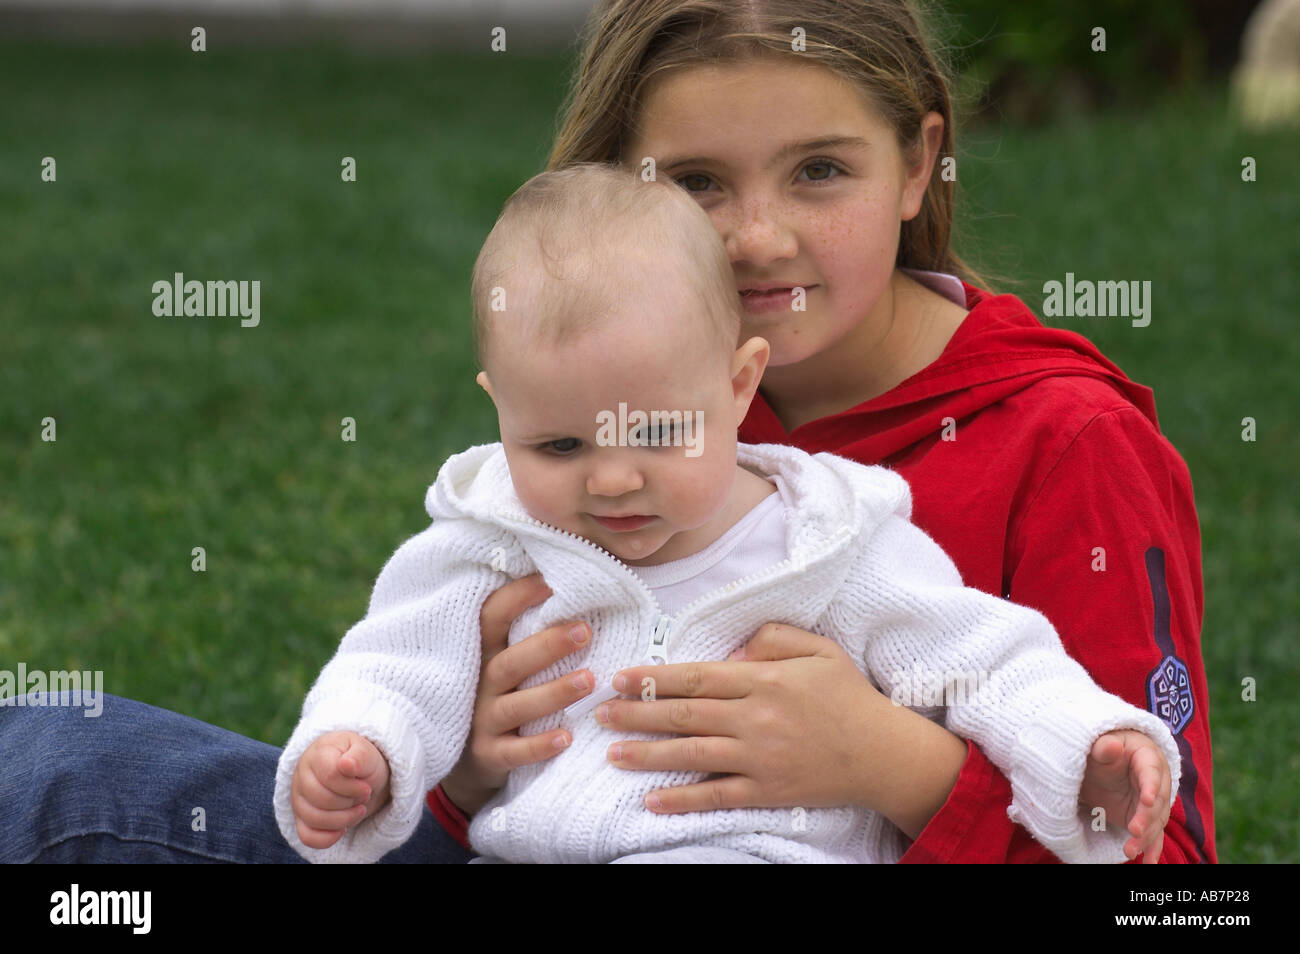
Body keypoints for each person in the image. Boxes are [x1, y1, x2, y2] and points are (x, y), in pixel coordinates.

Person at [0, 0, 1212, 865]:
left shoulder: (1063, 445)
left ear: (918, 163)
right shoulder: (585, 434)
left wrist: (887, 766)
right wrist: (458, 763)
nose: (756, 239)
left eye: (820, 173)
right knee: (54, 759)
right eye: (693, 184)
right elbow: (446, 735)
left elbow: (1168, 876)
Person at [277, 163, 1177, 865]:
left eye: (658, 433)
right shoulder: (494, 537)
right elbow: (396, 658)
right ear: (498, 407)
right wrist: (358, 747)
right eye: (559, 446)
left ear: (739, 384)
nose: (613, 482)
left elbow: (981, 658)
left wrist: (1084, 743)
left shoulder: (821, 538)